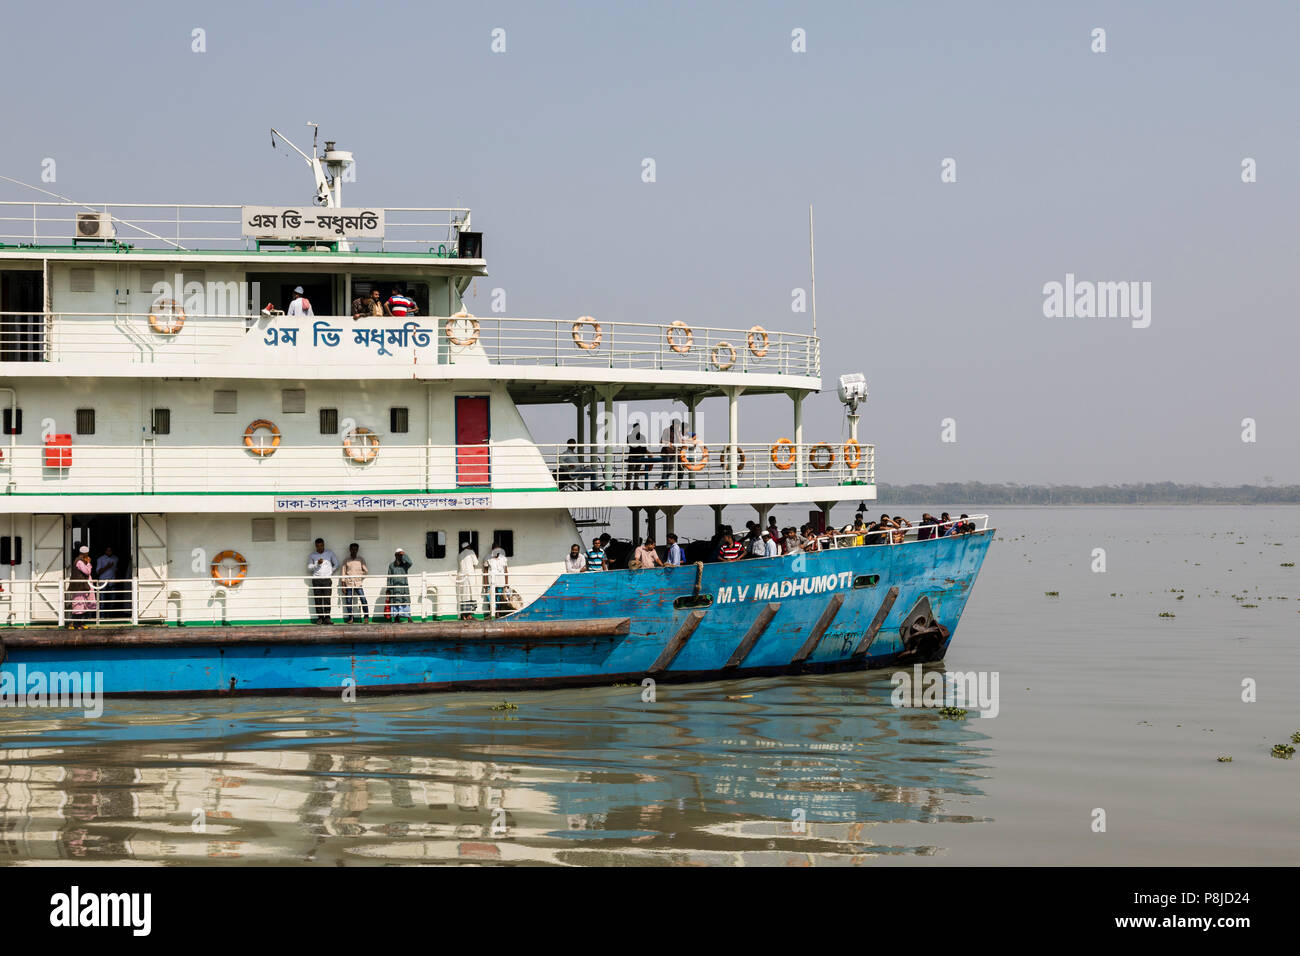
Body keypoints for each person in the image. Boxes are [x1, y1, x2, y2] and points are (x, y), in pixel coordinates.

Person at [307, 538, 338, 624]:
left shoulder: (329, 553)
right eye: (317, 546)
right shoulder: (312, 555)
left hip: (327, 579)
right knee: (318, 599)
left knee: (327, 599)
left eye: (321, 546)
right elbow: (309, 567)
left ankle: (327, 618)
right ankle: (320, 617)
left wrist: (330, 572)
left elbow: (336, 564)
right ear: (315, 546)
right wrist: (317, 564)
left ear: (324, 545)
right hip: (316, 580)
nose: (319, 548)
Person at [67, 545, 96, 628]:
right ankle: (76, 624)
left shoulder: (80, 561)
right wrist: (89, 563)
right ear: (85, 554)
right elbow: (87, 572)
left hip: (81, 586)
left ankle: (80, 623)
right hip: (78, 586)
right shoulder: (79, 562)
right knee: (78, 604)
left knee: (82, 605)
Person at [340, 543, 370, 624]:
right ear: (350, 550)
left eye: (355, 549)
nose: (354, 551)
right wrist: (343, 586)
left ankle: (366, 617)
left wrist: (359, 576)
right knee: (349, 600)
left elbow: (366, 570)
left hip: (358, 583)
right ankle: (350, 618)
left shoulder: (360, 560)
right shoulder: (346, 560)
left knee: (363, 599)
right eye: (352, 549)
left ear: (357, 550)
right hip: (348, 583)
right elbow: (343, 573)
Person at [385, 548, 413, 622]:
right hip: (394, 587)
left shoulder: (405, 565)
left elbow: (410, 562)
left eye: (400, 555)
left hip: (403, 587)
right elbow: (389, 577)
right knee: (395, 601)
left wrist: (404, 554)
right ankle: (397, 617)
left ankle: (408, 617)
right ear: (395, 555)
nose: (399, 556)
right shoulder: (391, 565)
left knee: (405, 601)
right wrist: (388, 588)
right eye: (398, 555)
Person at [484, 544, 509, 617]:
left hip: (501, 581)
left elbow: (506, 570)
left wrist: (506, 583)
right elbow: (485, 570)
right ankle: (491, 613)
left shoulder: (503, 558)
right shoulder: (487, 557)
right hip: (490, 581)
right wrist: (485, 583)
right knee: (489, 597)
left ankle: (498, 613)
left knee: (499, 597)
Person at [457, 540, 479, 619]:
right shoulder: (471, 552)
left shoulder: (459, 555)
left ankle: (463, 615)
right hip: (470, 576)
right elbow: (476, 563)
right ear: (468, 546)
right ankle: (469, 615)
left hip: (462, 576)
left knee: (464, 595)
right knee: (471, 595)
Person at [626, 424, 650, 490]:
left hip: (633, 455)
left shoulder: (629, 436)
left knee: (630, 472)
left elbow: (629, 445)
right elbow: (644, 448)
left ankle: (628, 486)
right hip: (639, 456)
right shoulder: (642, 437)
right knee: (636, 472)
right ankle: (635, 486)